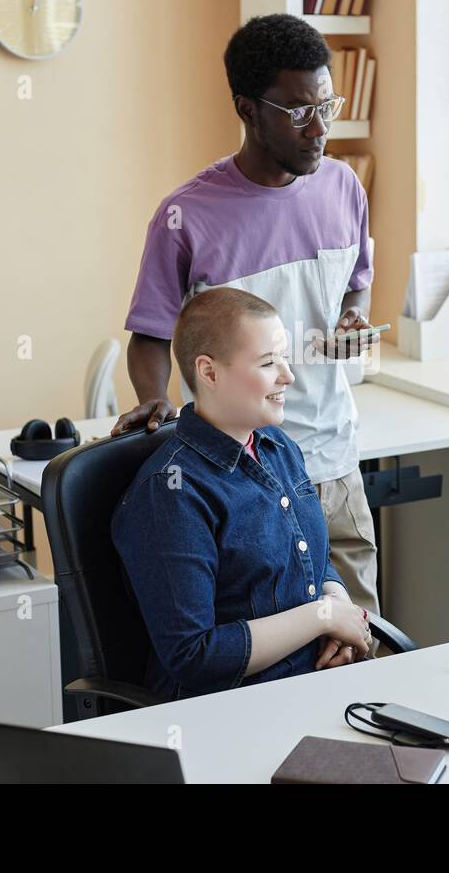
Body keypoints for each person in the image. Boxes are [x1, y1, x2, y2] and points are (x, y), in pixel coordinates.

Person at [113, 13, 381, 614]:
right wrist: (154, 396)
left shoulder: (345, 189)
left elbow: (356, 287)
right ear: (247, 109)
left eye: (326, 106)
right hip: (239, 477)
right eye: (297, 111)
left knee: (364, 643)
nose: (318, 129)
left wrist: (352, 321)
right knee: (271, 657)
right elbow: (151, 334)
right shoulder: (187, 216)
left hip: (333, 464)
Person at [111, 287, 372, 700]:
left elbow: (311, 558)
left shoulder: (278, 446)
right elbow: (194, 656)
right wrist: (322, 617)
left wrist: (336, 605)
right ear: (209, 373)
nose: (288, 375)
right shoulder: (172, 492)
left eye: (284, 358)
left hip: (315, 685)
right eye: (269, 363)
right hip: (233, 710)